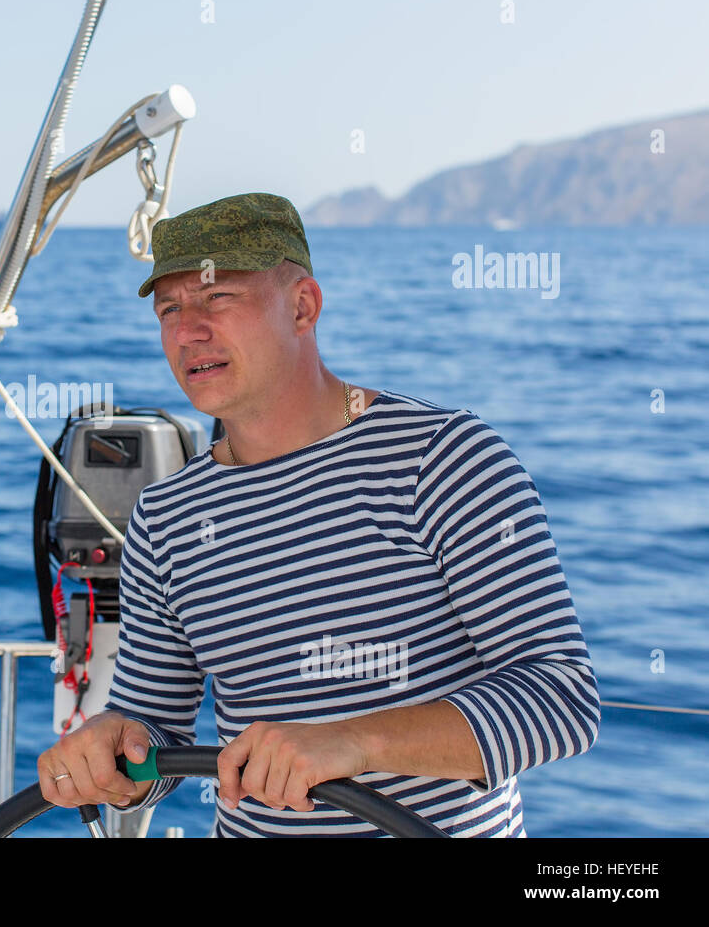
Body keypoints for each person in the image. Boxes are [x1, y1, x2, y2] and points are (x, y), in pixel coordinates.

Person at [36, 192, 600, 836]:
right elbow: (155, 733)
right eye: (170, 308)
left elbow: (562, 700)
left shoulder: (442, 459)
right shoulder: (166, 515)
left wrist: (353, 742)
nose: (188, 329)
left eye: (218, 298)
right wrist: (113, 746)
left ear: (302, 306)